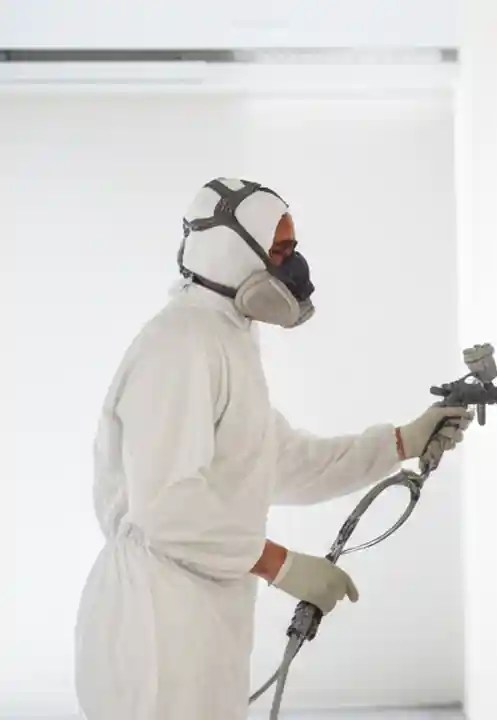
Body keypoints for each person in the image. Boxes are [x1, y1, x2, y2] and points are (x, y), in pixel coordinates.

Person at [74, 178, 472, 719]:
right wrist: (282, 565)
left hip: (199, 618)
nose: (293, 270)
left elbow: (276, 461)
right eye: (281, 252)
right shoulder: (179, 346)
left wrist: (401, 441)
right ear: (232, 254)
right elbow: (167, 508)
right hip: (154, 627)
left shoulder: (227, 338)